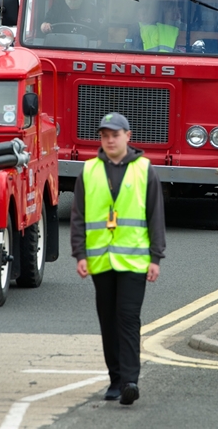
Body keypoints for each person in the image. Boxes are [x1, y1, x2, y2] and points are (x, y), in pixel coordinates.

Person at [70, 112, 165, 406]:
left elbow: (155, 215)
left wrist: (155, 258)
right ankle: (114, 380)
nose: (110, 140)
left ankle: (130, 381)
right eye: (105, 135)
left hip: (135, 261)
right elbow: (78, 217)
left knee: (127, 318)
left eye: (115, 134)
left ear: (128, 136)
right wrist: (80, 254)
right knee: (108, 320)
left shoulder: (145, 170)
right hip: (100, 261)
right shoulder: (88, 171)